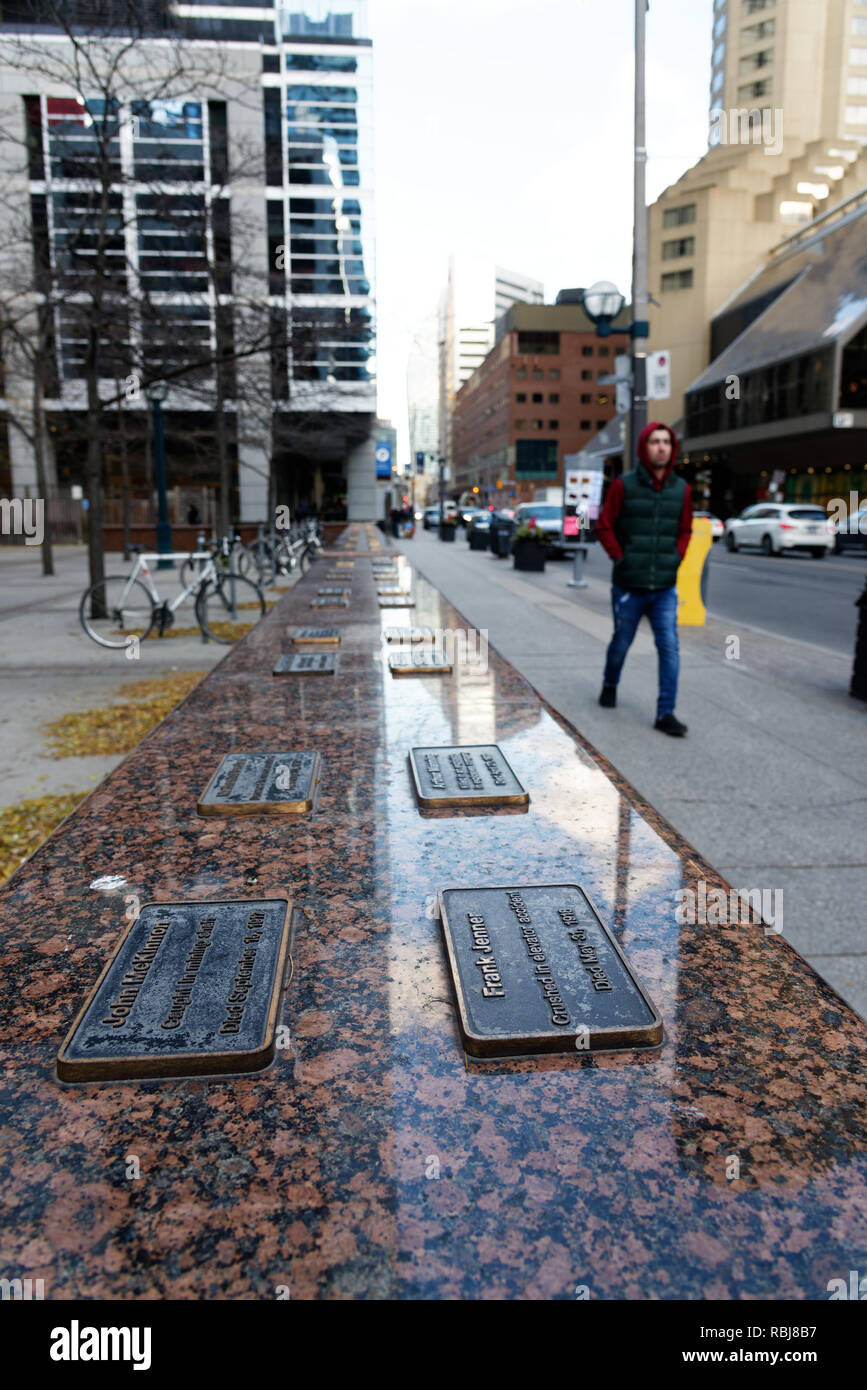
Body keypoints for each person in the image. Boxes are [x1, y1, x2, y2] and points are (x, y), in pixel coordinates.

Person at [594, 421, 693, 737]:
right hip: (628, 585)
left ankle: (666, 713)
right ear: (643, 447)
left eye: (666, 442)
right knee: (621, 642)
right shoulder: (624, 485)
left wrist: (677, 557)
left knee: (670, 648)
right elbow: (604, 525)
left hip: (664, 587)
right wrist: (620, 558)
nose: (661, 447)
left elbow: (685, 530)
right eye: (654, 441)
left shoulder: (682, 489)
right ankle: (610, 684)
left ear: (672, 448)